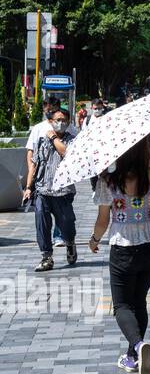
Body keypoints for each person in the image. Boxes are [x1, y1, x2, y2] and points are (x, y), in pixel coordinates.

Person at [88, 137, 150, 374]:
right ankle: (133, 355)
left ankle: (138, 346)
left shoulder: (108, 180)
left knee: (122, 306)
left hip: (122, 248)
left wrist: (94, 240)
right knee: (139, 301)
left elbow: (103, 221)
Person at [24, 106, 77, 271]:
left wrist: (54, 137)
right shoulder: (42, 140)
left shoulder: (72, 139)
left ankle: (70, 243)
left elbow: (66, 153)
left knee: (66, 223)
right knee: (42, 222)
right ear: (50, 121)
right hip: (43, 190)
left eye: (63, 120)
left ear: (68, 123)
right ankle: (46, 257)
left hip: (63, 191)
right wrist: (28, 187)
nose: (60, 123)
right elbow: (34, 164)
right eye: (57, 120)